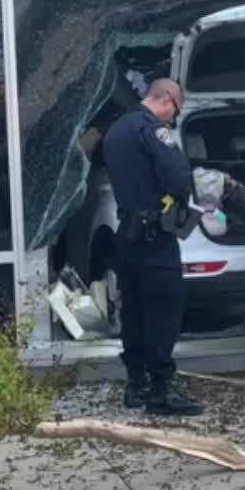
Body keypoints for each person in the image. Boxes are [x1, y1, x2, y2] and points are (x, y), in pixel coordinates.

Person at [101, 77, 204, 416]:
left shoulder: (116, 130)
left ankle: (137, 384)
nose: (172, 120)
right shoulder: (151, 130)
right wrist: (184, 195)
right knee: (163, 310)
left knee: (133, 309)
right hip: (154, 238)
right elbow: (177, 176)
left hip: (128, 234)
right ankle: (161, 390)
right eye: (175, 112)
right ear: (168, 100)